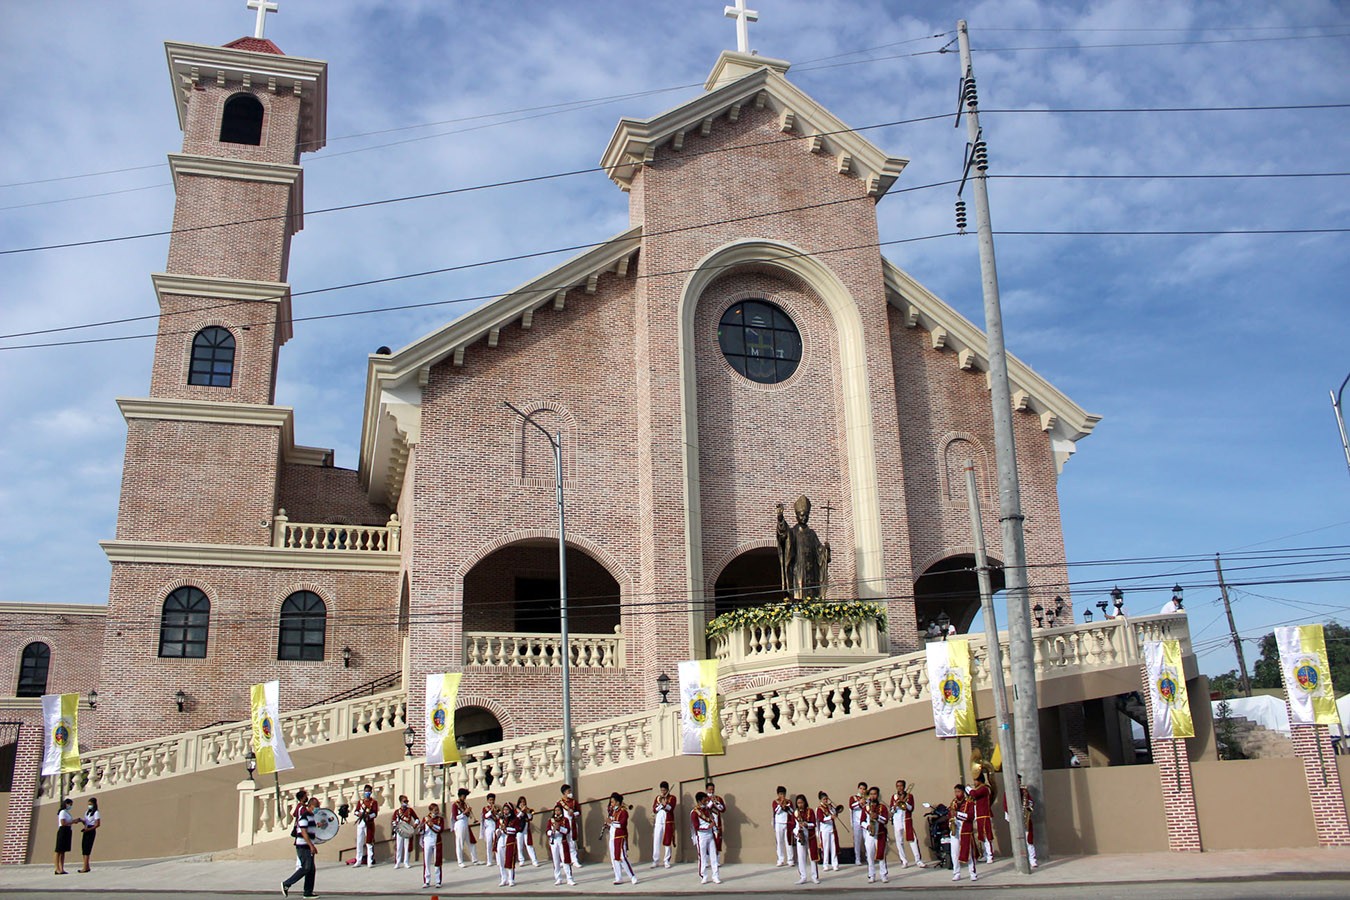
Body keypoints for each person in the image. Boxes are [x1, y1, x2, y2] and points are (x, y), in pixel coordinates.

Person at [281, 795, 319, 898]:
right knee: (306, 867)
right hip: (303, 846)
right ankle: (287, 883)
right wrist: (311, 846)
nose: (317, 809)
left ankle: (308, 892)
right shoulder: (304, 817)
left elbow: (311, 829)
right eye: (316, 806)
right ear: (310, 806)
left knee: (311, 869)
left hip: (308, 846)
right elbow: (304, 833)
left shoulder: (312, 817)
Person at [1003, 774, 1038, 868]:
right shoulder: (1008, 792)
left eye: (1019, 781)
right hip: (1015, 819)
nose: (1018, 782)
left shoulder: (1024, 791)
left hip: (1025, 817)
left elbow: (1031, 802)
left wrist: (1028, 804)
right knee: (1017, 840)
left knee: (1029, 840)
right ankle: (1020, 860)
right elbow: (1006, 805)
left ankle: (1032, 860)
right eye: (1017, 781)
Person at [606, 792, 638, 885]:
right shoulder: (612, 811)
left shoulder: (624, 812)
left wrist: (611, 822)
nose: (611, 804)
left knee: (622, 857)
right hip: (612, 837)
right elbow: (611, 824)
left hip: (620, 836)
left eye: (613, 802)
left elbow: (621, 824)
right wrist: (608, 823)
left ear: (618, 802)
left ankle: (632, 876)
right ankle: (618, 877)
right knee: (614, 858)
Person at [948, 784, 977, 882]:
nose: (956, 794)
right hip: (955, 830)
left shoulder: (969, 803)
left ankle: (972, 873)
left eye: (958, 792)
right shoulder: (953, 803)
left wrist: (957, 814)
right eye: (955, 792)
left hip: (965, 829)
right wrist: (951, 822)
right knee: (954, 853)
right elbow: (949, 815)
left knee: (968, 852)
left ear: (963, 792)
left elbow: (971, 816)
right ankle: (956, 873)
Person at [889, 780, 922, 868]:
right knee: (899, 841)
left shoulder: (909, 796)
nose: (899, 788)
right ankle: (904, 861)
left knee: (912, 839)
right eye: (898, 786)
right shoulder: (894, 797)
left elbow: (911, 808)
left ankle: (918, 860)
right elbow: (891, 810)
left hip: (906, 819)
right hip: (897, 820)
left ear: (904, 787)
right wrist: (895, 805)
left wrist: (904, 803)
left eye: (901, 786)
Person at [691, 791, 721, 884]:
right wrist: (708, 827)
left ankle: (715, 876)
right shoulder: (694, 812)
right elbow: (696, 827)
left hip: (710, 835)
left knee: (713, 856)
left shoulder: (707, 810)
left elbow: (712, 820)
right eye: (704, 800)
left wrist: (715, 829)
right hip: (701, 836)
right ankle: (703, 876)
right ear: (699, 801)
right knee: (702, 857)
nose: (706, 802)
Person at [861, 786, 889, 884]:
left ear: (878, 795)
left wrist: (877, 817)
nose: (873, 796)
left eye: (875, 794)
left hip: (880, 834)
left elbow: (885, 820)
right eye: (871, 794)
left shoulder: (882, 807)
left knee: (881, 855)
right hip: (870, 834)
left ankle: (883, 875)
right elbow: (862, 821)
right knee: (870, 855)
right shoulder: (866, 808)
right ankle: (871, 875)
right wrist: (867, 826)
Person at [791, 794, 820, 885]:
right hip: (801, 837)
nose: (800, 805)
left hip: (810, 837)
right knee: (801, 857)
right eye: (798, 803)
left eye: (801, 803)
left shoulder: (810, 811)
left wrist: (806, 824)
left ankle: (814, 877)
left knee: (812, 857)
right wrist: (797, 832)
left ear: (805, 802)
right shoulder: (795, 813)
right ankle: (803, 877)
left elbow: (814, 824)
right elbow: (793, 826)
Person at [546, 805, 577, 886]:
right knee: (556, 861)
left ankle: (569, 878)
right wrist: (552, 832)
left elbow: (567, 831)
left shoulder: (565, 820)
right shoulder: (551, 820)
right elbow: (547, 831)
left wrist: (559, 828)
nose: (557, 812)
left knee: (565, 860)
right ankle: (558, 878)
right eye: (556, 810)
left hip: (562, 841)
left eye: (558, 810)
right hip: (554, 841)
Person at [969, 773, 995, 864]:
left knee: (987, 835)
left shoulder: (984, 788)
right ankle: (985, 854)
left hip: (985, 815)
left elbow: (974, 794)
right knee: (981, 837)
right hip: (979, 815)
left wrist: (968, 789)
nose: (974, 783)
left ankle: (990, 855)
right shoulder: (979, 789)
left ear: (980, 781)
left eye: (975, 781)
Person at [651, 781, 676, 868]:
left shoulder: (672, 798)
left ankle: (666, 860)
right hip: (659, 821)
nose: (663, 792)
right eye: (662, 790)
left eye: (664, 790)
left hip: (667, 821)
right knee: (656, 840)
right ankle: (655, 860)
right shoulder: (658, 798)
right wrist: (660, 804)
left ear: (667, 789)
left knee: (667, 840)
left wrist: (665, 804)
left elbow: (671, 808)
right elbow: (654, 810)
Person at [451, 787, 479, 866]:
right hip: (459, 824)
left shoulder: (464, 804)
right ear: (460, 796)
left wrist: (468, 812)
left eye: (465, 796)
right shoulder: (455, 805)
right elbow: (455, 817)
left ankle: (475, 860)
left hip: (466, 823)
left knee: (471, 841)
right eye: (464, 796)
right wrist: (464, 812)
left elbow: (467, 815)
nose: (465, 798)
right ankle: (460, 861)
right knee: (460, 843)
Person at [421, 801, 445, 888]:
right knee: (427, 861)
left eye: (437, 810)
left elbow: (440, 829)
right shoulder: (425, 819)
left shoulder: (440, 819)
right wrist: (420, 828)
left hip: (436, 841)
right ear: (430, 811)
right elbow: (422, 831)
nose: (437, 811)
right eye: (435, 810)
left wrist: (432, 825)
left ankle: (438, 881)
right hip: (427, 841)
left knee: (437, 861)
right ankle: (427, 881)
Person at [557, 784, 582, 867]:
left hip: (572, 824)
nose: (570, 792)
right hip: (563, 825)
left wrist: (573, 814)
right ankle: (565, 860)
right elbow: (556, 814)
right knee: (563, 842)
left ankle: (574, 860)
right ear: (564, 792)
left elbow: (579, 812)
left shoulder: (574, 802)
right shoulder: (559, 803)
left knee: (572, 842)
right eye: (569, 791)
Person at [497, 800, 521, 886]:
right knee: (501, 861)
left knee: (510, 860)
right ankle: (504, 879)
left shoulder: (515, 819)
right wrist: (499, 830)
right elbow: (497, 829)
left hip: (510, 840)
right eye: (504, 809)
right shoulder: (501, 819)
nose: (505, 811)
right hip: (501, 841)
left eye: (507, 809)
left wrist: (506, 829)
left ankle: (511, 879)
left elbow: (517, 829)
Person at [815, 792, 841, 871]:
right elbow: (821, 819)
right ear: (821, 800)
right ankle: (825, 864)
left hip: (831, 829)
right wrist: (830, 817)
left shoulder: (830, 807)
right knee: (825, 848)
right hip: (824, 830)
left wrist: (833, 809)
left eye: (826, 799)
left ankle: (835, 864)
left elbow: (835, 814)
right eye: (824, 799)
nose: (826, 800)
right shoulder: (819, 808)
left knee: (833, 847)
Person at [354, 783, 379, 867]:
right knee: (359, 842)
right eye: (365, 791)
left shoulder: (374, 802)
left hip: (369, 824)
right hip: (361, 823)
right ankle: (358, 860)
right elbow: (356, 811)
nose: (367, 793)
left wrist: (368, 816)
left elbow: (375, 813)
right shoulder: (360, 802)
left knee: (369, 842)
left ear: (371, 792)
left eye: (368, 791)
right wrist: (359, 814)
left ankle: (370, 861)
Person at [391, 794, 419, 869]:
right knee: (399, 847)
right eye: (404, 801)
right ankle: (398, 862)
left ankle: (406, 862)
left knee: (407, 846)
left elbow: (417, 819)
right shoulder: (397, 812)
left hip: (407, 830)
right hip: (399, 830)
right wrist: (395, 825)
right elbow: (393, 821)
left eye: (407, 801)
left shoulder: (410, 810)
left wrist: (415, 825)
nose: (406, 802)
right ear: (400, 802)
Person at [772, 785, 795, 866]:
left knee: (788, 841)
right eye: (781, 794)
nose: (782, 796)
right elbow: (776, 811)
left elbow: (792, 812)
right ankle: (780, 859)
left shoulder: (789, 802)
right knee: (779, 842)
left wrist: (786, 807)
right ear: (778, 794)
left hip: (787, 823)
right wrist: (781, 804)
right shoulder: (775, 802)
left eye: (784, 794)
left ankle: (790, 860)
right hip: (779, 823)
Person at [704, 781, 727, 861]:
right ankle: (706, 860)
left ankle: (716, 860)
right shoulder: (704, 799)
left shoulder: (718, 798)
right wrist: (711, 802)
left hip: (717, 823)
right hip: (708, 823)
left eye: (713, 789)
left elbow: (723, 809)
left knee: (717, 841)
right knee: (707, 842)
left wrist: (716, 802)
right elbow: (705, 809)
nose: (711, 791)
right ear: (706, 790)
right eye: (710, 790)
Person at [847, 782, 868, 865]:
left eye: (864, 789)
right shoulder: (853, 797)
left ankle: (868, 857)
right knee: (857, 840)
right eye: (861, 788)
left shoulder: (868, 798)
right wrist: (859, 802)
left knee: (867, 839)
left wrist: (865, 801)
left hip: (865, 821)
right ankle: (857, 858)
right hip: (856, 821)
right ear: (858, 789)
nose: (862, 790)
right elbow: (851, 806)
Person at [515, 796, 539, 867]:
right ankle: (521, 860)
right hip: (519, 830)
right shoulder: (516, 810)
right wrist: (522, 811)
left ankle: (534, 860)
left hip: (526, 830)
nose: (523, 803)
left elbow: (530, 818)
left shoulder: (527, 809)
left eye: (524, 802)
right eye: (521, 802)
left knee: (529, 845)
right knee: (520, 846)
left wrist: (528, 812)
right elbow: (517, 818)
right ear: (519, 803)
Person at [78, 797, 101, 873]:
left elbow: (97, 824)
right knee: (84, 848)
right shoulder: (87, 812)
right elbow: (86, 822)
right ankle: (87, 866)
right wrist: (81, 821)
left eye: (90, 804)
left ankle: (85, 867)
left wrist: (89, 829)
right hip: (86, 829)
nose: (89, 806)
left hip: (91, 830)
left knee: (87, 848)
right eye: (88, 804)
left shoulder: (96, 813)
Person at [54, 797, 74, 875]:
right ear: (66, 804)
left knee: (63, 851)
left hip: (68, 830)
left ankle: (62, 868)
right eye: (70, 804)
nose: (70, 806)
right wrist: (73, 822)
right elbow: (63, 823)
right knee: (58, 850)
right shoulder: (62, 812)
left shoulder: (67, 812)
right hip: (63, 830)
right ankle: (57, 868)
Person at [481, 793, 501, 866]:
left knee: (496, 843)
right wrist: (491, 811)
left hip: (495, 827)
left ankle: (499, 860)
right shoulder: (485, 808)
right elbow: (485, 816)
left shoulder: (497, 808)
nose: (491, 801)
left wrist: (495, 812)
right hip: (488, 828)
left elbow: (499, 817)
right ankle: (489, 861)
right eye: (490, 800)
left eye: (493, 800)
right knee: (489, 844)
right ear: (487, 800)